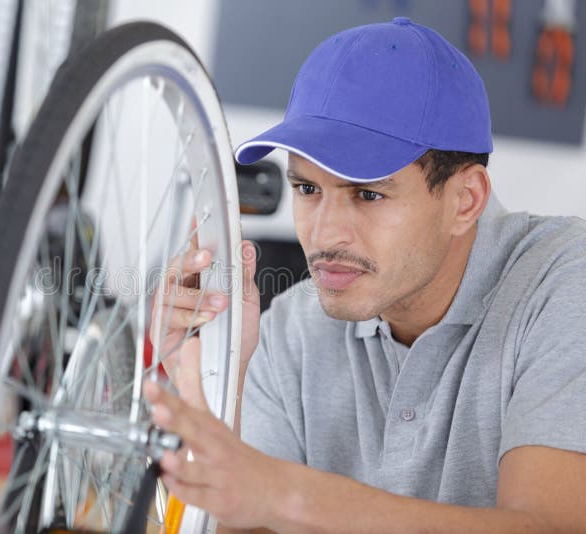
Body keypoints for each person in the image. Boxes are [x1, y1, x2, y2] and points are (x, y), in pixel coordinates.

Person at [143, 17, 586, 532]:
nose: (325, 234)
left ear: (465, 200)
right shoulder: (289, 330)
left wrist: (283, 493)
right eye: (307, 189)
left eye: (368, 193)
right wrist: (216, 382)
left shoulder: (563, 283)